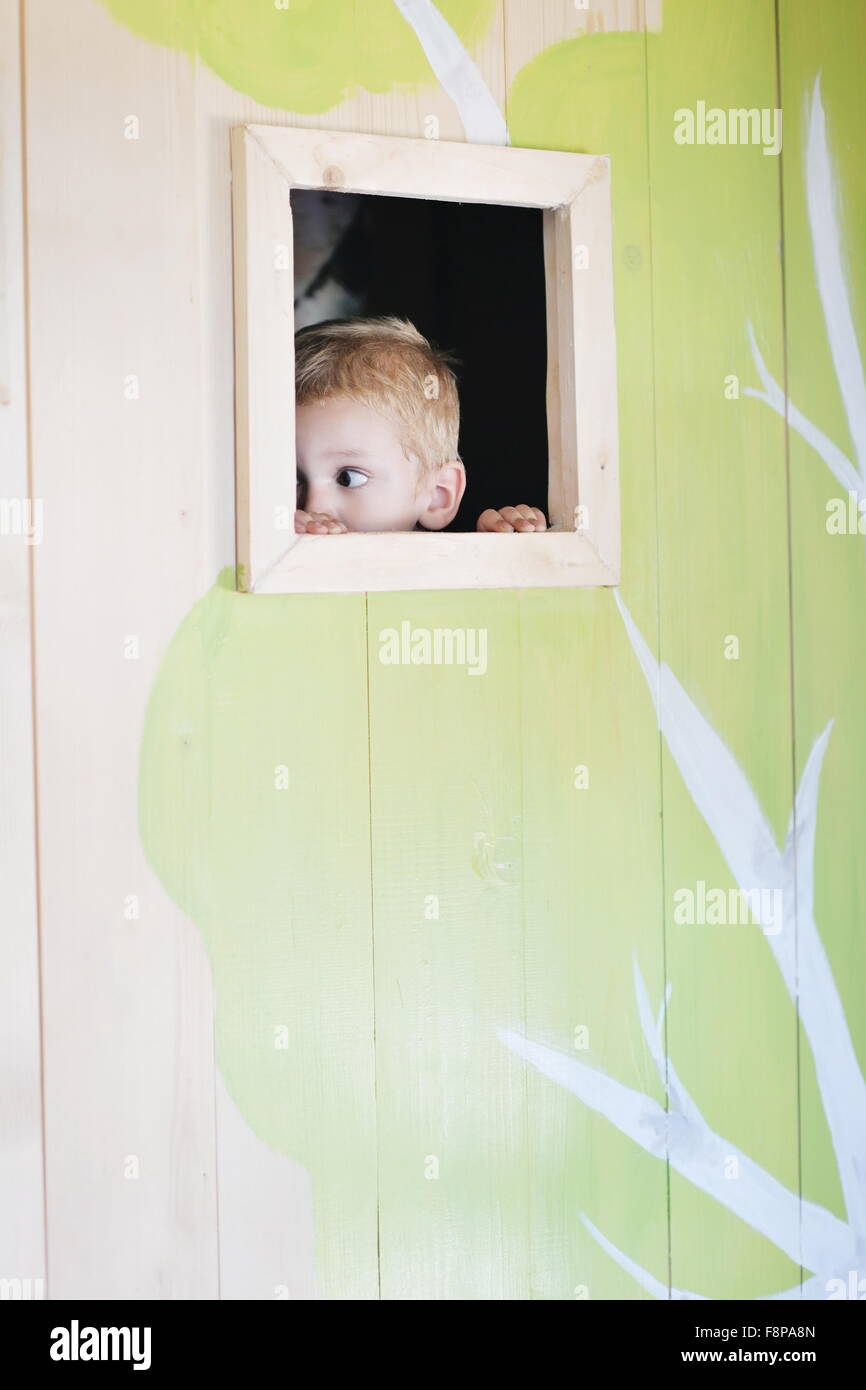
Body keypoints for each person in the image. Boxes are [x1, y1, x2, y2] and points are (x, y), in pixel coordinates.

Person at [293, 316, 547, 536]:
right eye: (290, 479)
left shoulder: (452, 574)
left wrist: (500, 553)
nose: (312, 507)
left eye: (348, 477)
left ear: (437, 495)